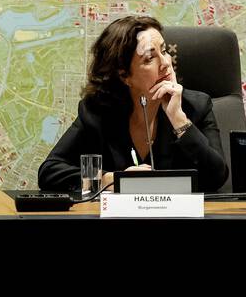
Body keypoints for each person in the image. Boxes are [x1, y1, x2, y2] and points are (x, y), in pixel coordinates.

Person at [38, 15, 229, 194]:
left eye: (164, 51)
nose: (165, 63)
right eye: (149, 58)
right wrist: (110, 179)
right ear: (124, 75)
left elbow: (216, 177)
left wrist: (179, 120)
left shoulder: (195, 106)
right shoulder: (98, 111)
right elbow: (50, 171)